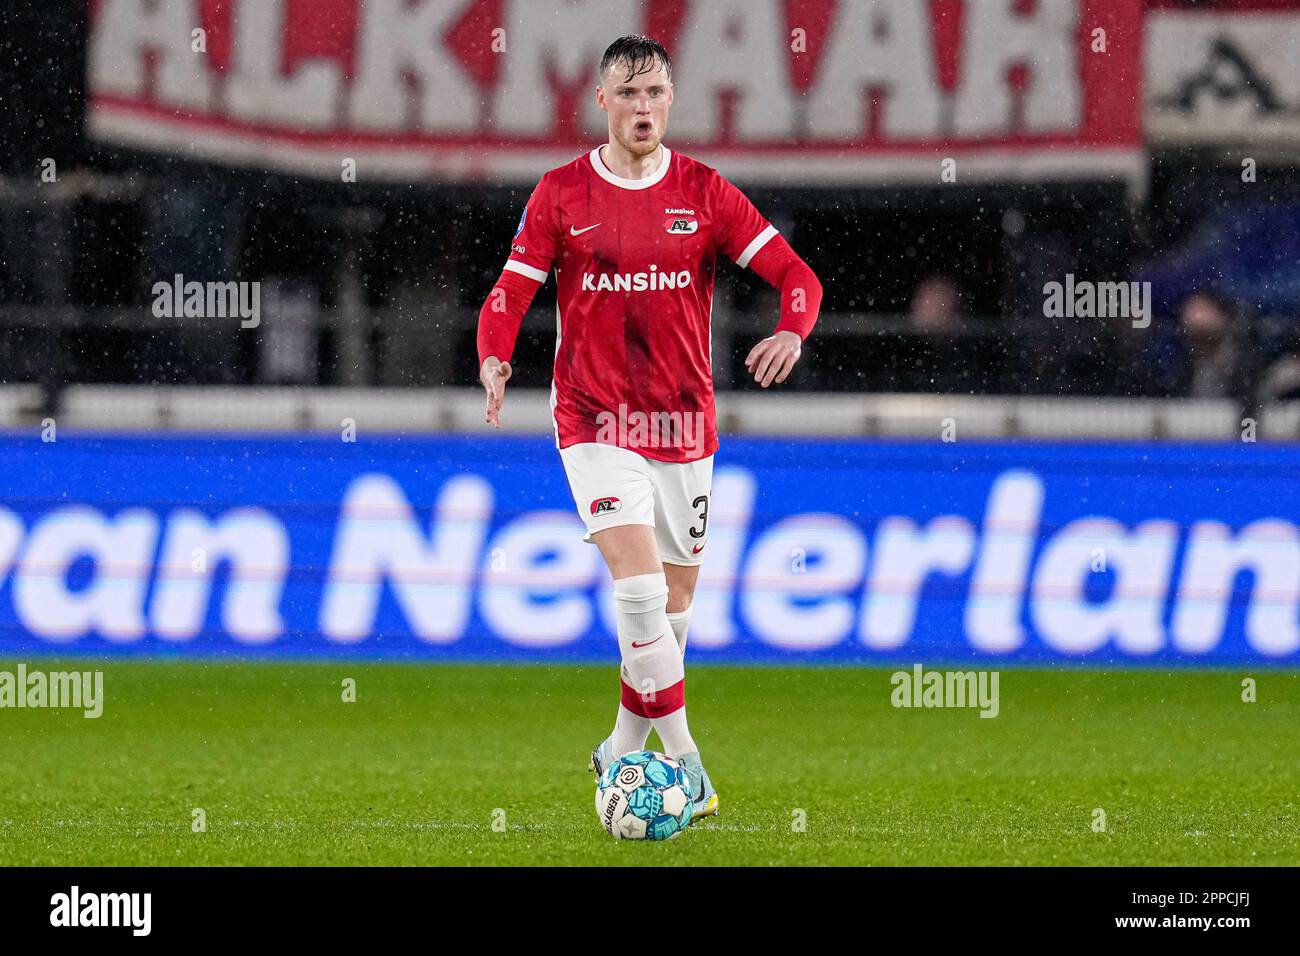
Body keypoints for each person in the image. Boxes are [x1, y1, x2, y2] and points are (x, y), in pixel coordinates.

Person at [475, 35, 822, 823]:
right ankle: (690, 769)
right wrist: (494, 358)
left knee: (670, 616)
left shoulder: (703, 192)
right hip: (594, 418)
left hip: (684, 423)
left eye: (655, 93)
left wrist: (793, 330)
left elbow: (798, 277)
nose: (642, 107)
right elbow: (508, 292)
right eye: (627, 94)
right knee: (636, 594)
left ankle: (622, 744)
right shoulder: (562, 194)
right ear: (602, 102)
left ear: (671, 100)